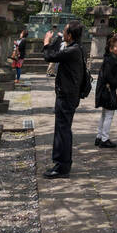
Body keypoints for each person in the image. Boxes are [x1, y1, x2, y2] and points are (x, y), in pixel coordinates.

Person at [42, 21, 89, 178]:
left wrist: (47, 42)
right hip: (68, 95)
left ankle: (63, 166)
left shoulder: (73, 50)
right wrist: (56, 41)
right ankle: (60, 162)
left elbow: (49, 56)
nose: (63, 33)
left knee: (63, 130)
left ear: (70, 34)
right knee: (62, 129)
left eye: (65, 31)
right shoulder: (76, 48)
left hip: (67, 96)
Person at [94, 34, 117, 148]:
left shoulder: (109, 58)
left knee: (104, 114)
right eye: (116, 47)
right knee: (109, 115)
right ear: (111, 48)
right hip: (109, 91)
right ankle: (104, 139)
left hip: (104, 90)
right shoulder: (112, 59)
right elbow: (108, 76)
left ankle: (99, 136)